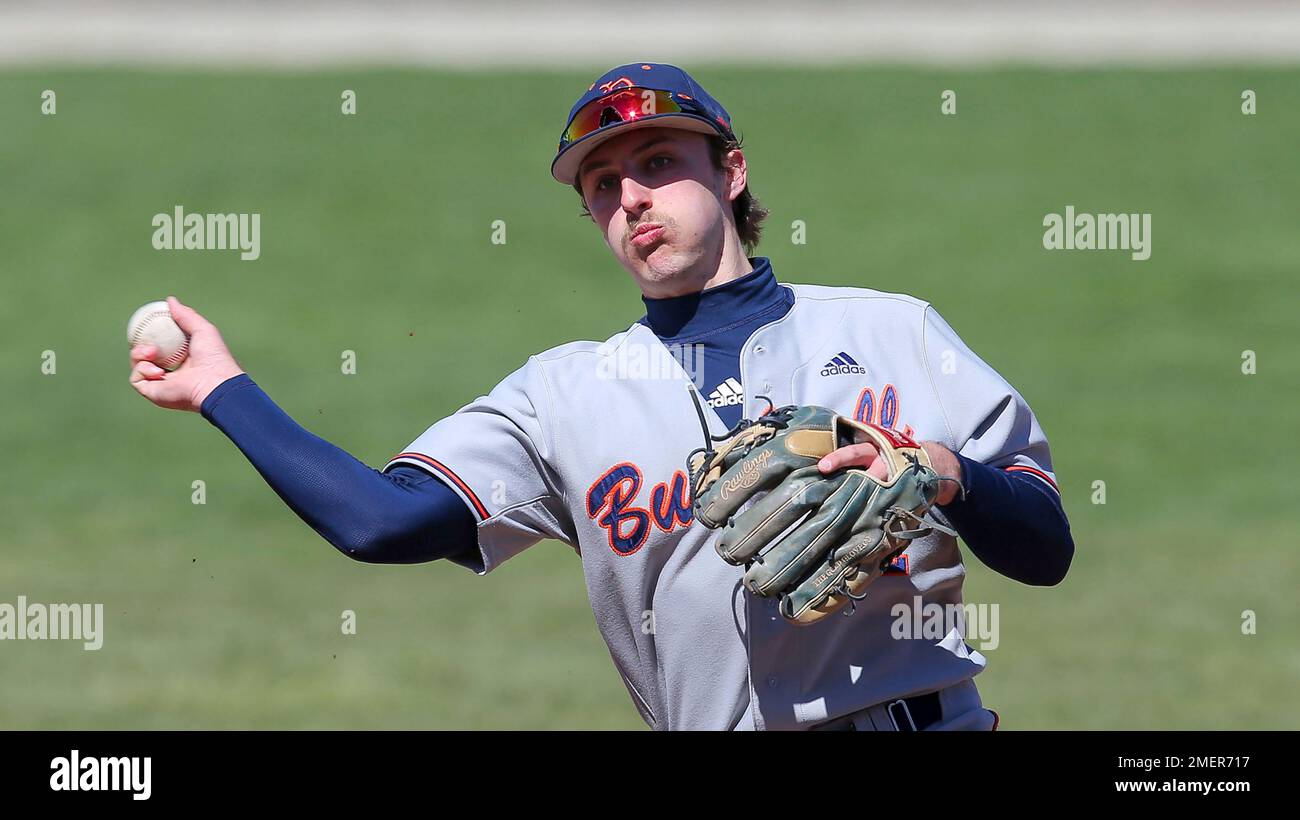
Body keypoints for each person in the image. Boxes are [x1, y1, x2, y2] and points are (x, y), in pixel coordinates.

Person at [129, 63, 1073, 731]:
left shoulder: (891, 332)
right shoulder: (561, 396)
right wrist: (224, 388)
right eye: (602, 182)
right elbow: (381, 524)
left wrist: (943, 475)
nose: (631, 195)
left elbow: (1046, 547)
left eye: (659, 162)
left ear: (730, 171)